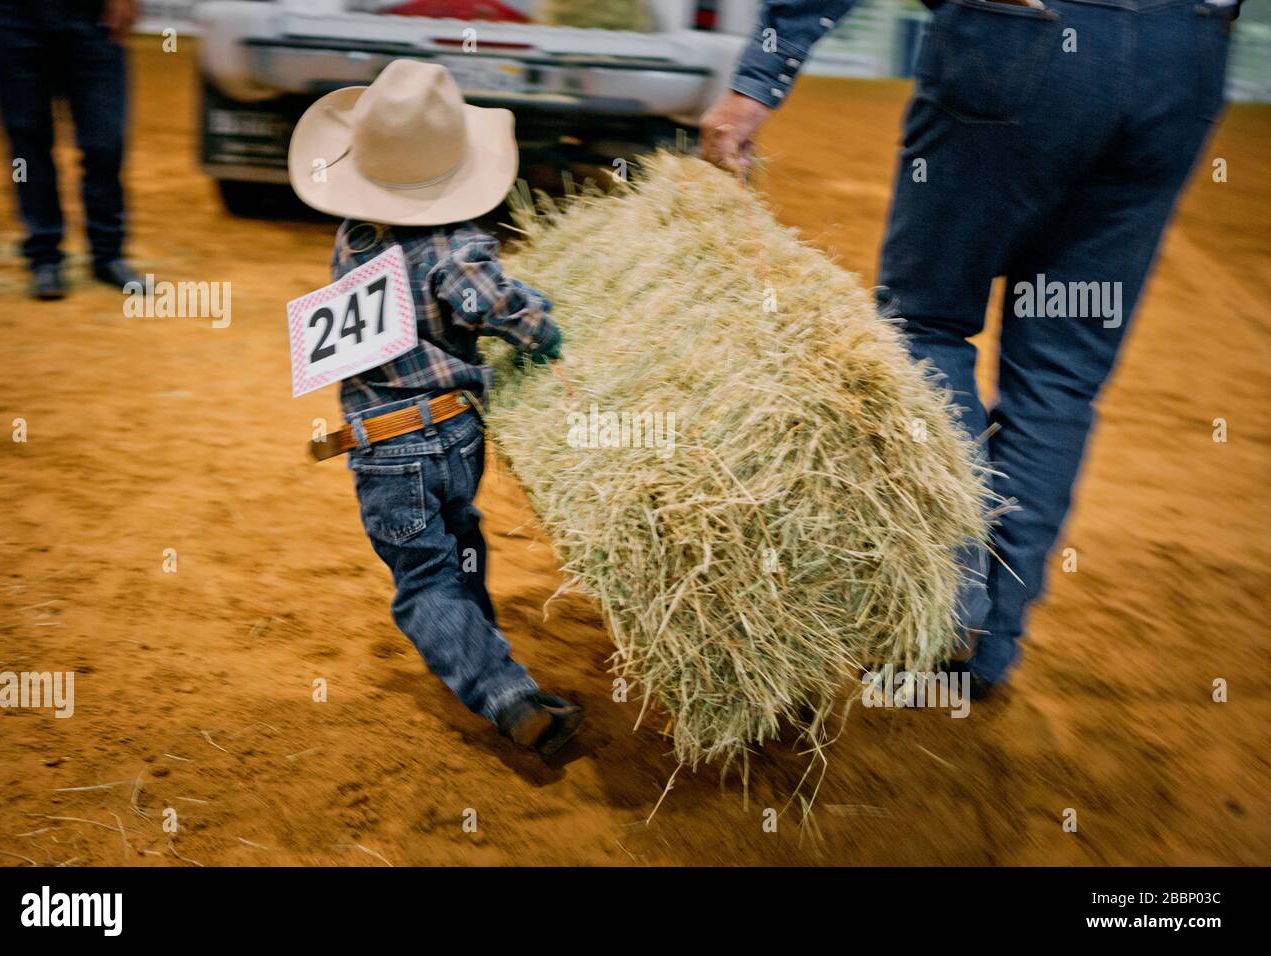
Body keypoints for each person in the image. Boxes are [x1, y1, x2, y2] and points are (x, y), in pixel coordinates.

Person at [702, 0, 1238, 697]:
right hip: (1185, 58)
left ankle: (947, 605)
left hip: (1018, 39)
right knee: (1061, 375)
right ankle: (986, 647)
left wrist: (759, 80)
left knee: (926, 324)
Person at [287, 59, 583, 756]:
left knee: (426, 575)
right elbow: (504, 309)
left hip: (385, 444)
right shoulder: (457, 246)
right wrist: (546, 327)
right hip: (454, 430)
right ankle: (498, 674)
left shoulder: (352, 237)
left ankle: (502, 689)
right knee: (461, 540)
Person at [0, 0, 143, 300]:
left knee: (106, 142)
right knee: (26, 145)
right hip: (12, 19)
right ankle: (43, 256)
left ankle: (108, 254)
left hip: (93, 18)